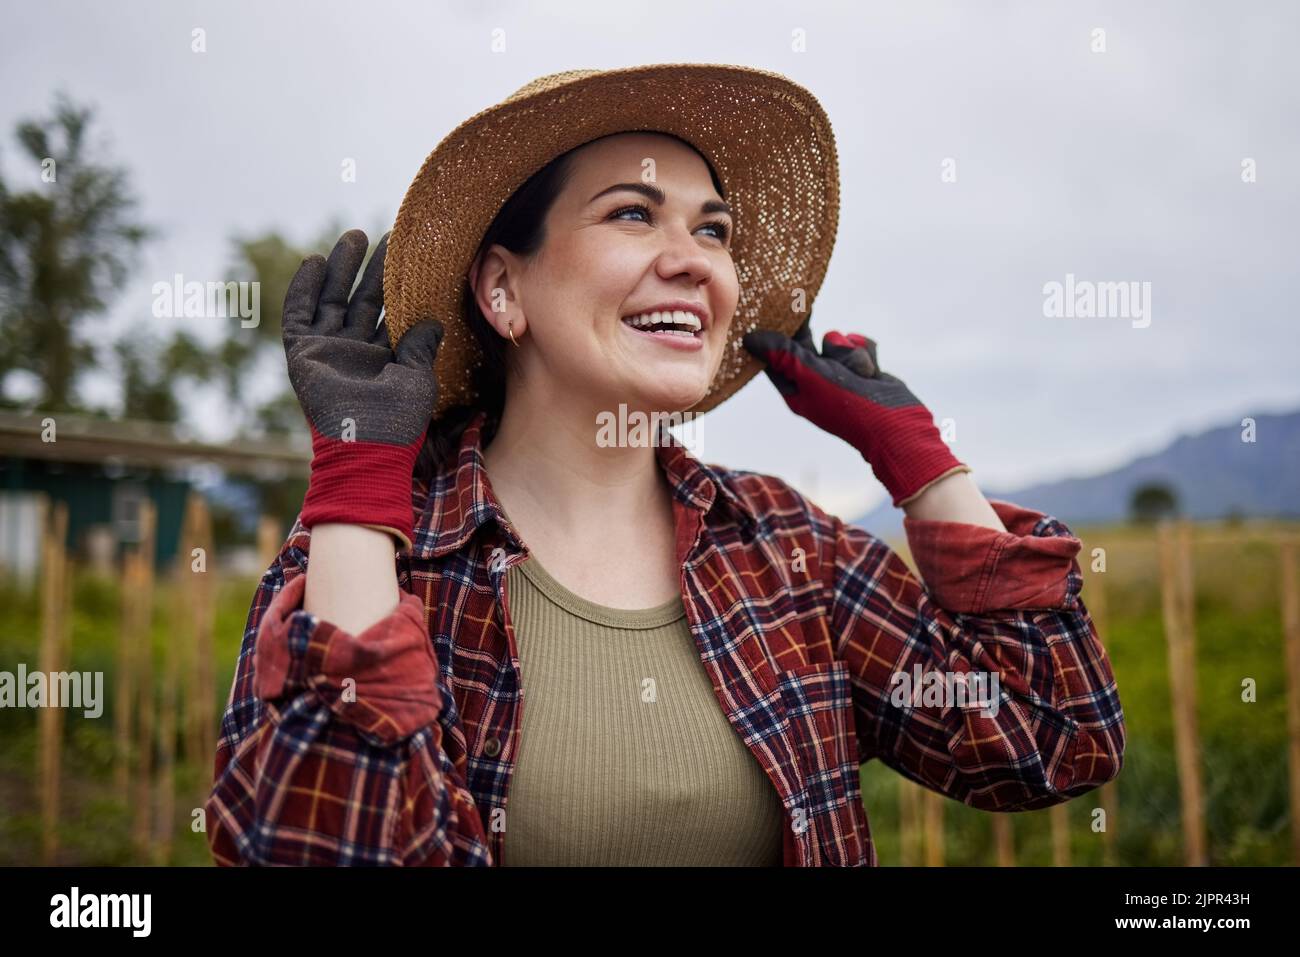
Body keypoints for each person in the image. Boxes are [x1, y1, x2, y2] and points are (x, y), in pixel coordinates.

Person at [205, 65, 1124, 866]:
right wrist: (362, 487)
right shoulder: (373, 554)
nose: (695, 264)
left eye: (714, 230)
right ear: (502, 288)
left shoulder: (786, 550)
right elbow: (316, 843)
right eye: (634, 214)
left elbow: (1053, 735)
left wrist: (920, 461)